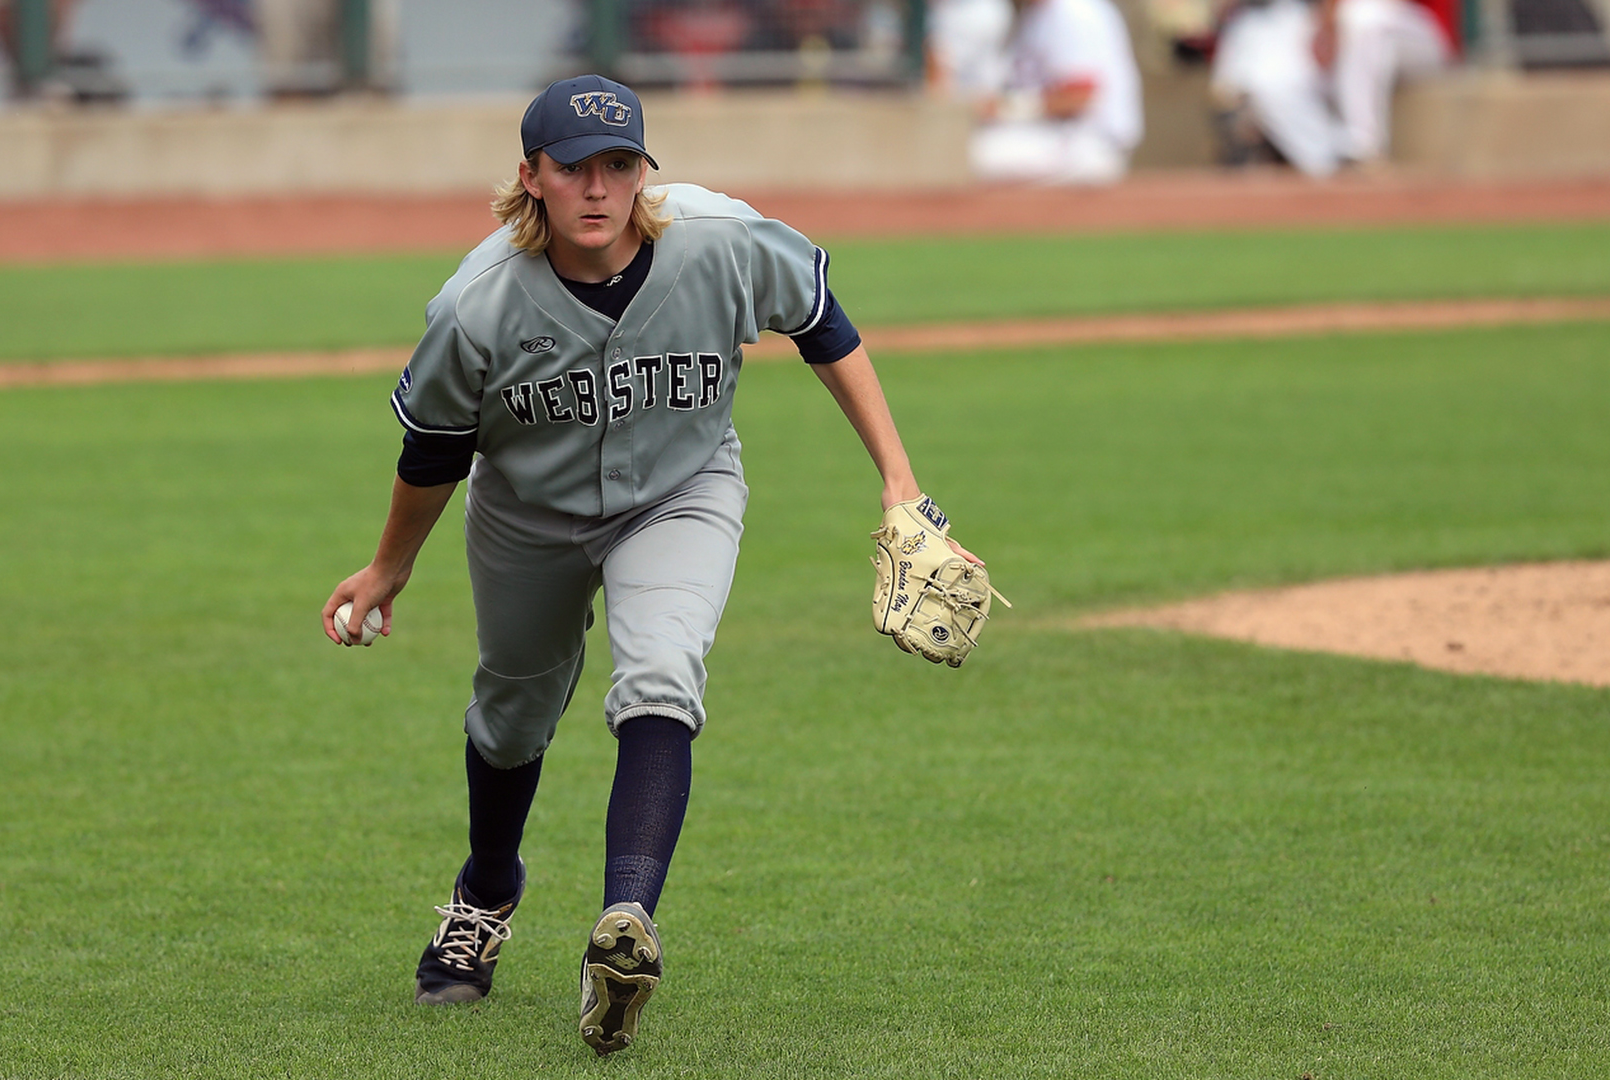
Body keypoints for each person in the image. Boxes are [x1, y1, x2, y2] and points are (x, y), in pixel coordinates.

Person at [320, 73, 977, 1056]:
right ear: (530, 177)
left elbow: (822, 324)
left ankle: (622, 929)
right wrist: (388, 570)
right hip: (527, 513)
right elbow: (432, 452)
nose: (598, 187)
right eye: (573, 168)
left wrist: (899, 482)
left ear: (642, 173)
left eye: (618, 165)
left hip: (681, 489)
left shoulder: (717, 242)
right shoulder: (478, 304)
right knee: (511, 714)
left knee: (662, 675)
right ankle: (486, 892)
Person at [1211, 0, 1455, 175]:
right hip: (1332, 27)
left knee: (1364, 15)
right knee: (1270, 80)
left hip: (1420, 32)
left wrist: (1328, 19)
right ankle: (1329, 167)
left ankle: (1363, 150)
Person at [966, 0, 1143, 185]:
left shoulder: (1071, 11)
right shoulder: (1036, 13)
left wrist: (1006, 108)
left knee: (970, 155)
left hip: (1090, 143)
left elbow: (1079, 96)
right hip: (1060, 137)